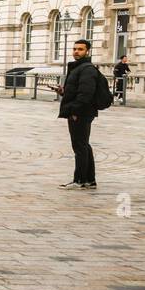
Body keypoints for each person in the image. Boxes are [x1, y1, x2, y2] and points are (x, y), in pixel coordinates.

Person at [51, 39, 103, 190]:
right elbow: (76, 91)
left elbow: (85, 94)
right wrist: (63, 91)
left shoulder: (87, 69)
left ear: (87, 51)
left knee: (79, 146)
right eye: (74, 49)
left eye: (80, 49)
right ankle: (89, 180)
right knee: (84, 145)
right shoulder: (78, 68)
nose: (76, 51)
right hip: (80, 111)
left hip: (80, 113)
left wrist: (74, 111)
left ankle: (79, 180)